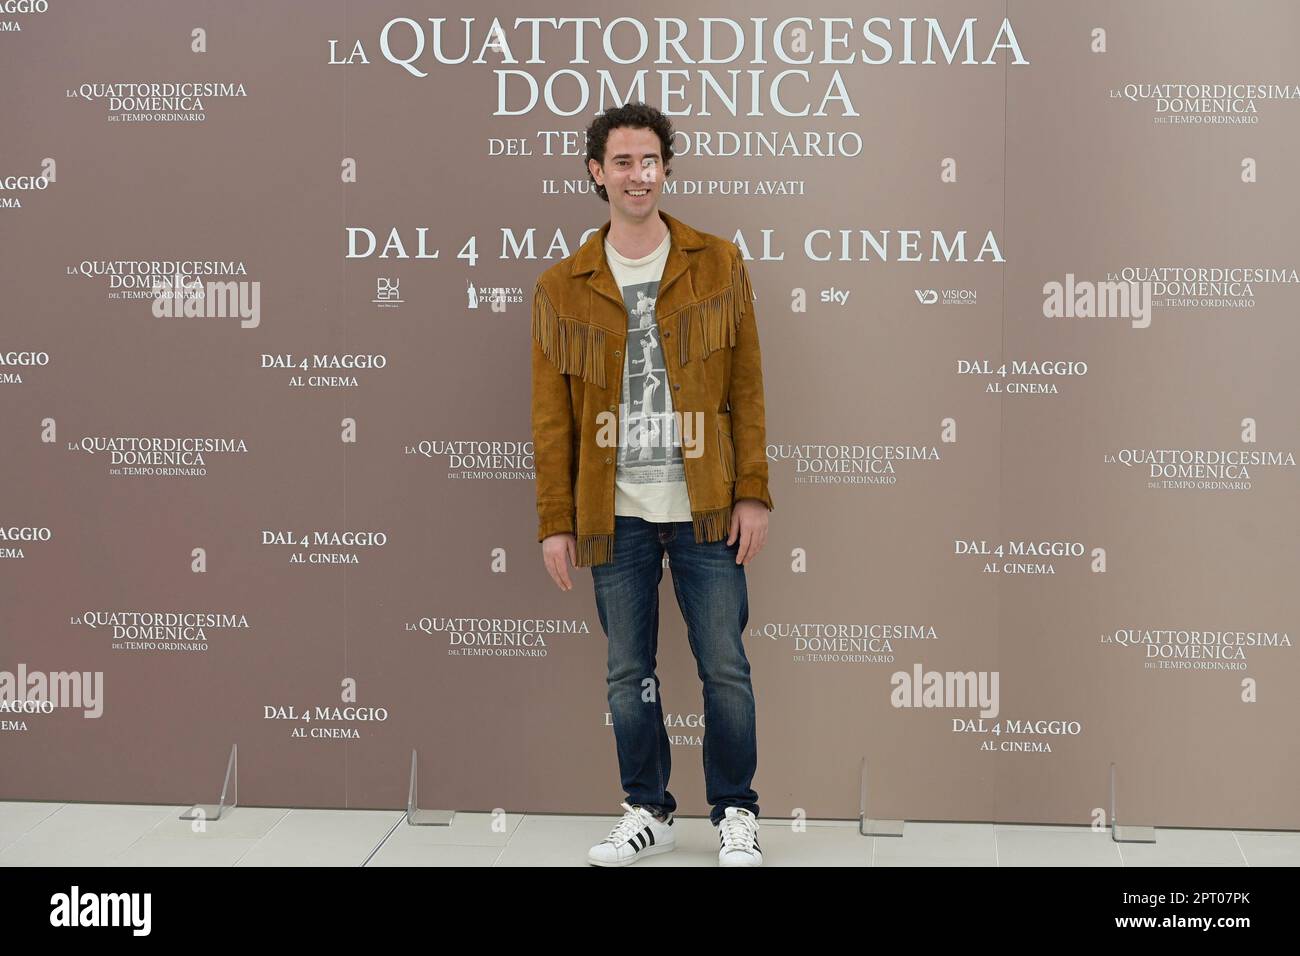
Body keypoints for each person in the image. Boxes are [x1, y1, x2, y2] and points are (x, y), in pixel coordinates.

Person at [529, 102, 773, 867]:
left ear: (666, 167)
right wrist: (556, 520)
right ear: (597, 173)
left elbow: (748, 387)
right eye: (623, 162)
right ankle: (649, 810)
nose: (639, 175)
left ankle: (736, 810)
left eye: (650, 160)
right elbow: (552, 421)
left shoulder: (718, 263)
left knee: (724, 664)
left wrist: (753, 491)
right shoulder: (562, 287)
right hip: (615, 511)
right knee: (628, 670)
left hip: (705, 503)